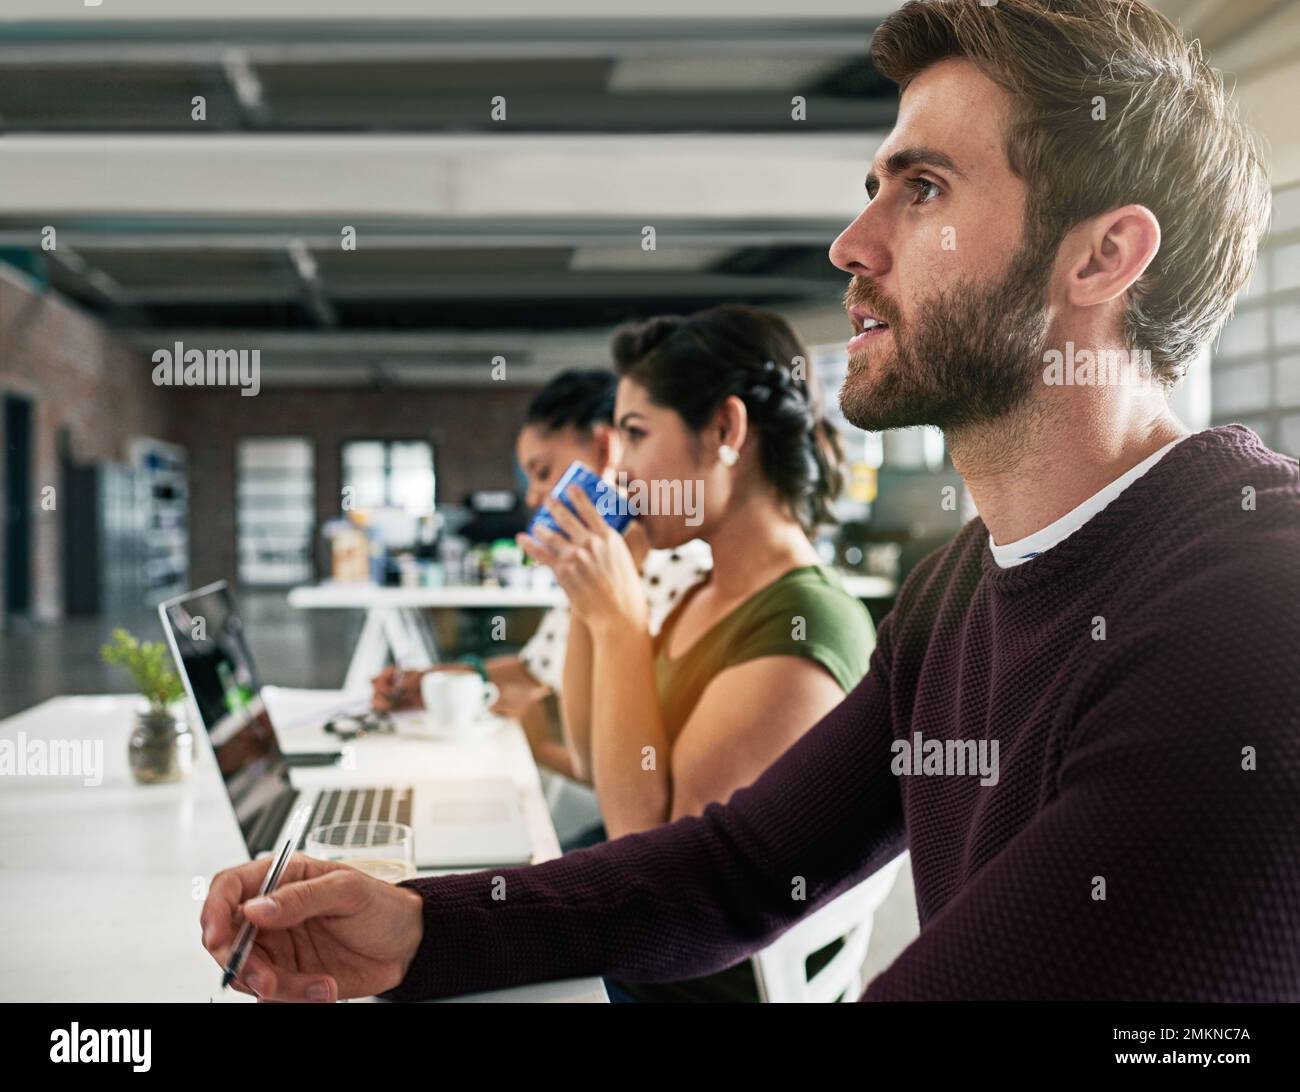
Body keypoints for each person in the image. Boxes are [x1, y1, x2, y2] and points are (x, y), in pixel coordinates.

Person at [200, 0, 1299, 1003]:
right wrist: (420, 930)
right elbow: (741, 868)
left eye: (922, 190)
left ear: (1103, 256)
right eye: (874, 188)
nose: (851, 246)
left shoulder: (1255, 616)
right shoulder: (960, 585)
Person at [520, 306, 876, 1000]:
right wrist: (588, 595)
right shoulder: (704, 595)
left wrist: (622, 624)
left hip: (688, 983)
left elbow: (651, 871)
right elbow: (597, 759)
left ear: (724, 430)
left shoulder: (801, 626)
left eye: (634, 434)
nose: (616, 469)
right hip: (644, 952)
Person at [370, 369, 710, 780]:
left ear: (606, 449)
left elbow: (629, 768)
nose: (533, 496)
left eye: (544, 471)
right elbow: (538, 664)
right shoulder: (600, 563)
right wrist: (431, 682)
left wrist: (542, 748)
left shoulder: (679, 570)